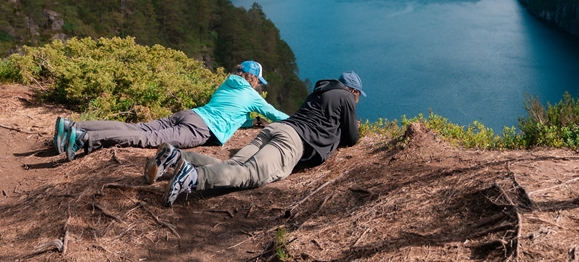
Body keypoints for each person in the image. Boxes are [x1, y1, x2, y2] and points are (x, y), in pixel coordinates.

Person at [155, 71, 364, 207]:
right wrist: (354, 125)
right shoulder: (345, 96)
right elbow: (351, 137)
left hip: (276, 129)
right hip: (292, 141)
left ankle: (176, 156)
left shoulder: (319, 93)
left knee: (233, 166)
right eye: (357, 95)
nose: (356, 99)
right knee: (250, 174)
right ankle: (191, 177)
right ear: (353, 91)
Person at [52, 61, 289, 166]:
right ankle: (84, 139)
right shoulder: (253, 96)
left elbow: (230, 113)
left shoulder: (227, 84)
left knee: (140, 128)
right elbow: (278, 115)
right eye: (259, 81)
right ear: (254, 79)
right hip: (200, 128)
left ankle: (73, 126)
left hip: (190, 114)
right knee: (146, 139)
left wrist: (251, 122)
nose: (259, 85)